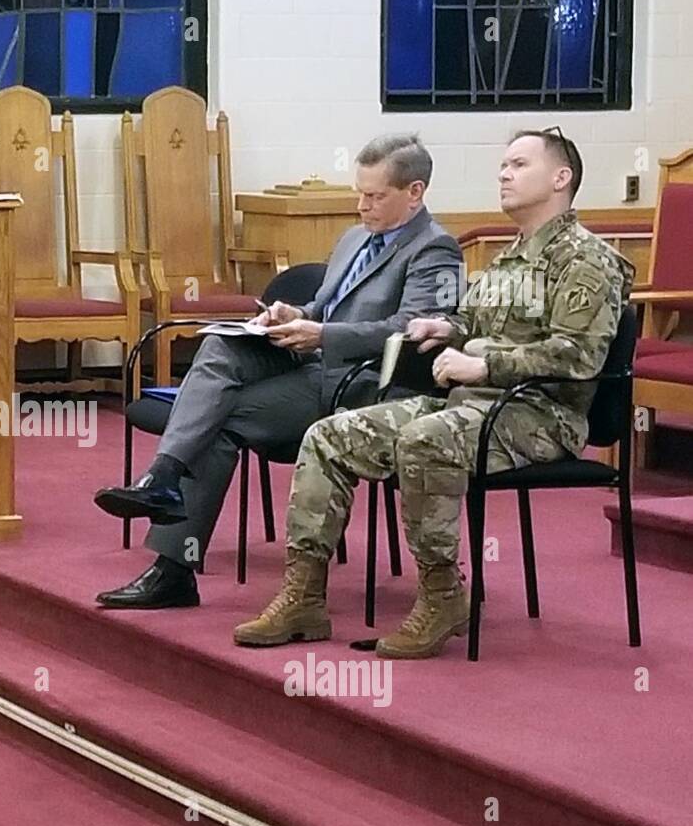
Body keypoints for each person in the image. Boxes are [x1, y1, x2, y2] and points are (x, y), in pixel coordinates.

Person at [234, 128, 634, 658]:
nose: (504, 174)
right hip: (472, 406)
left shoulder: (586, 260)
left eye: (518, 164)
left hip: (540, 415)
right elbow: (474, 320)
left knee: (424, 440)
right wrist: (445, 329)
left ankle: (443, 593)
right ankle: (304, 595)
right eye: (503, 164)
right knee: (329, 436)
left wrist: (481, 362)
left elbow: (578, 356)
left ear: (561, 179)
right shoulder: (507, 256)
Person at [92, 134, 463, 609]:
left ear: (414, 192)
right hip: (311, 359)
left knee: (220, 419)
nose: (361, 206)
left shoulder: (435, 250)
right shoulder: (354, 237)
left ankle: (172, 569)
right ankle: (162, 477)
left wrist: (322, 333)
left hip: (361, 383)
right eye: (359, 192)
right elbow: (324, 306)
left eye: (375, 197)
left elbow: (408, 333)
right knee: (221, 345)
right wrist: (292, 314)